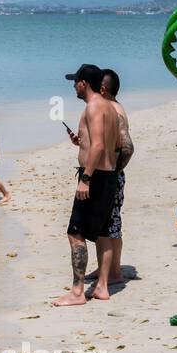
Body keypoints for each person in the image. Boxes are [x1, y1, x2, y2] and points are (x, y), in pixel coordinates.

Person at [54, 65, 120, 306]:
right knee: (103, 233)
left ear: (84, 83)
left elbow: (100, 146)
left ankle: (78, 291)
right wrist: (81, 143)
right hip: (109, 174)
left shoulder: (93, 107)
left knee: (75, 233)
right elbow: (111, 142)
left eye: (75, 82)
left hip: (95, 177)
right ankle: (102, 287)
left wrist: (86, 178)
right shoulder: (110, 107)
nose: (73, 86)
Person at [90, 69, 133, 289]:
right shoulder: (113, 108)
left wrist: (114, 171)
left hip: (111, 176)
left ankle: (114, 272)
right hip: (110, 174)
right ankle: (105, 268)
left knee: (111, 224)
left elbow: (127, 147)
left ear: (103, 89)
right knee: (105, 224)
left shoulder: (114, 110)